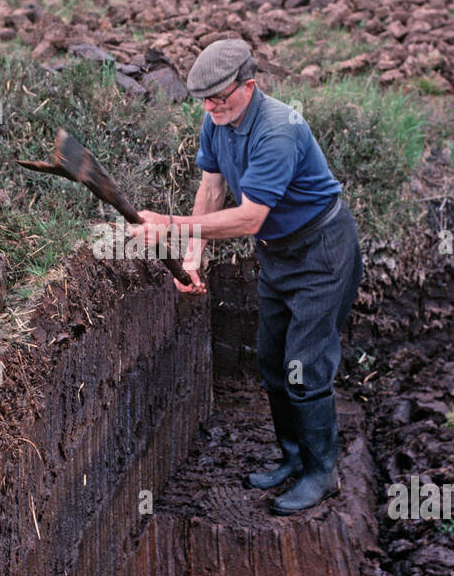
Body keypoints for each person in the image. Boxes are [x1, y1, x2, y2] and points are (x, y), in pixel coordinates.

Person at [134, 38, 363, 514]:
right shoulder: (216, 121)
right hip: (278, 255)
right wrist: (192, 256)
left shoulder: (278, 129)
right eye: (204, 100)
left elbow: (249, 218)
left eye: (221, 97)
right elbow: (211, 187)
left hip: (321, 253)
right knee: (272, 362)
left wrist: (172, 226)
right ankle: (293, 458)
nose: (212, 107)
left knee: (305, 369)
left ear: (249, 86)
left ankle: (322, 474)